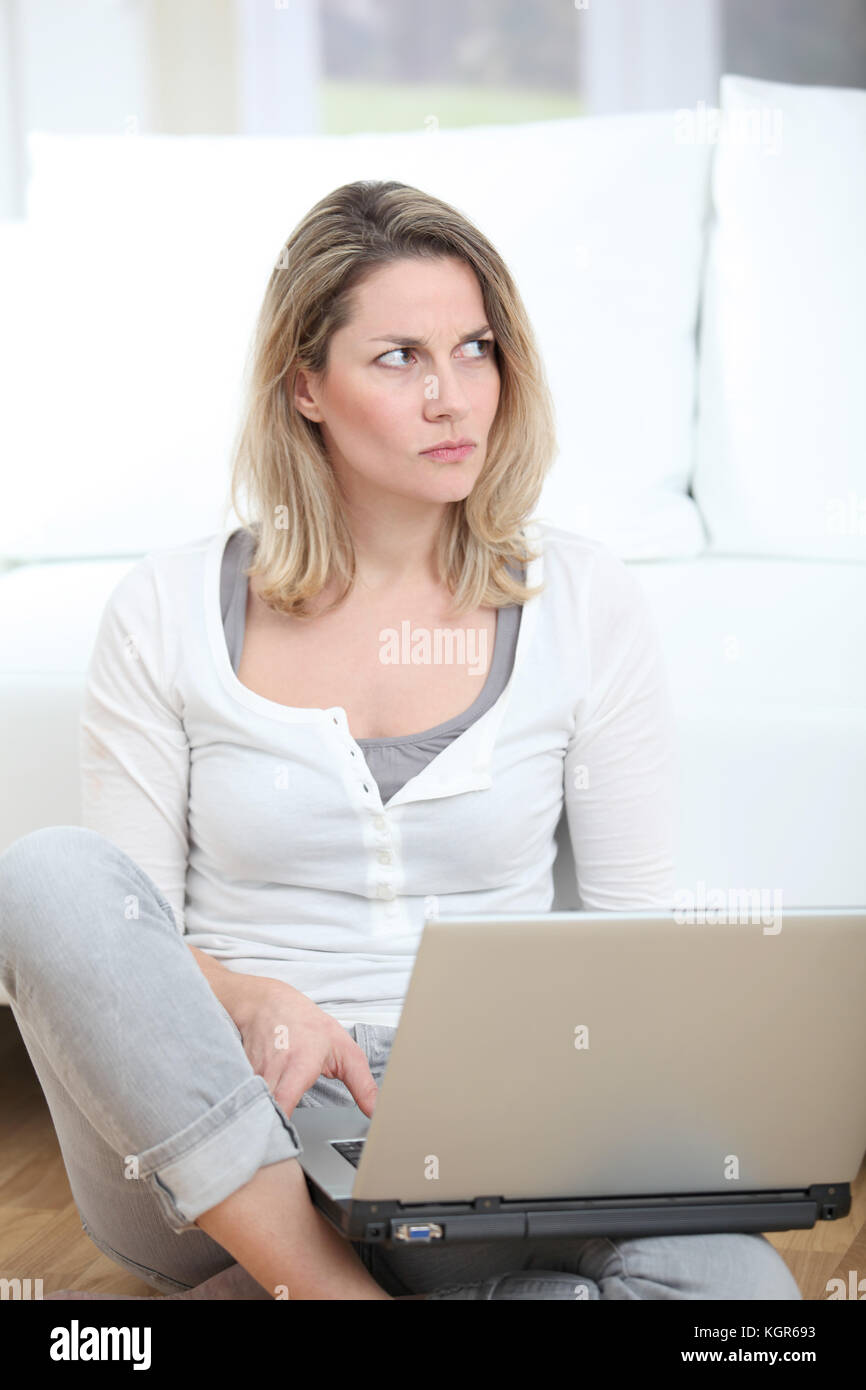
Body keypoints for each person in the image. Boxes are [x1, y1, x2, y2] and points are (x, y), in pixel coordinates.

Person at [0, 180, 801, 1301]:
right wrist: (247, 999)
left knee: (739, 1290)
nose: (451, 397)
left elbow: (631, 951)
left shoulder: (581, 600)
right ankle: (320, 1282)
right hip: (214, 1131)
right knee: (45, 875)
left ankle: (320, 1284)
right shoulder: (166, 606)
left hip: (474, 1125)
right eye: (399, 358)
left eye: (475, 350)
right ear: (304, 386)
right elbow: (124, 943)